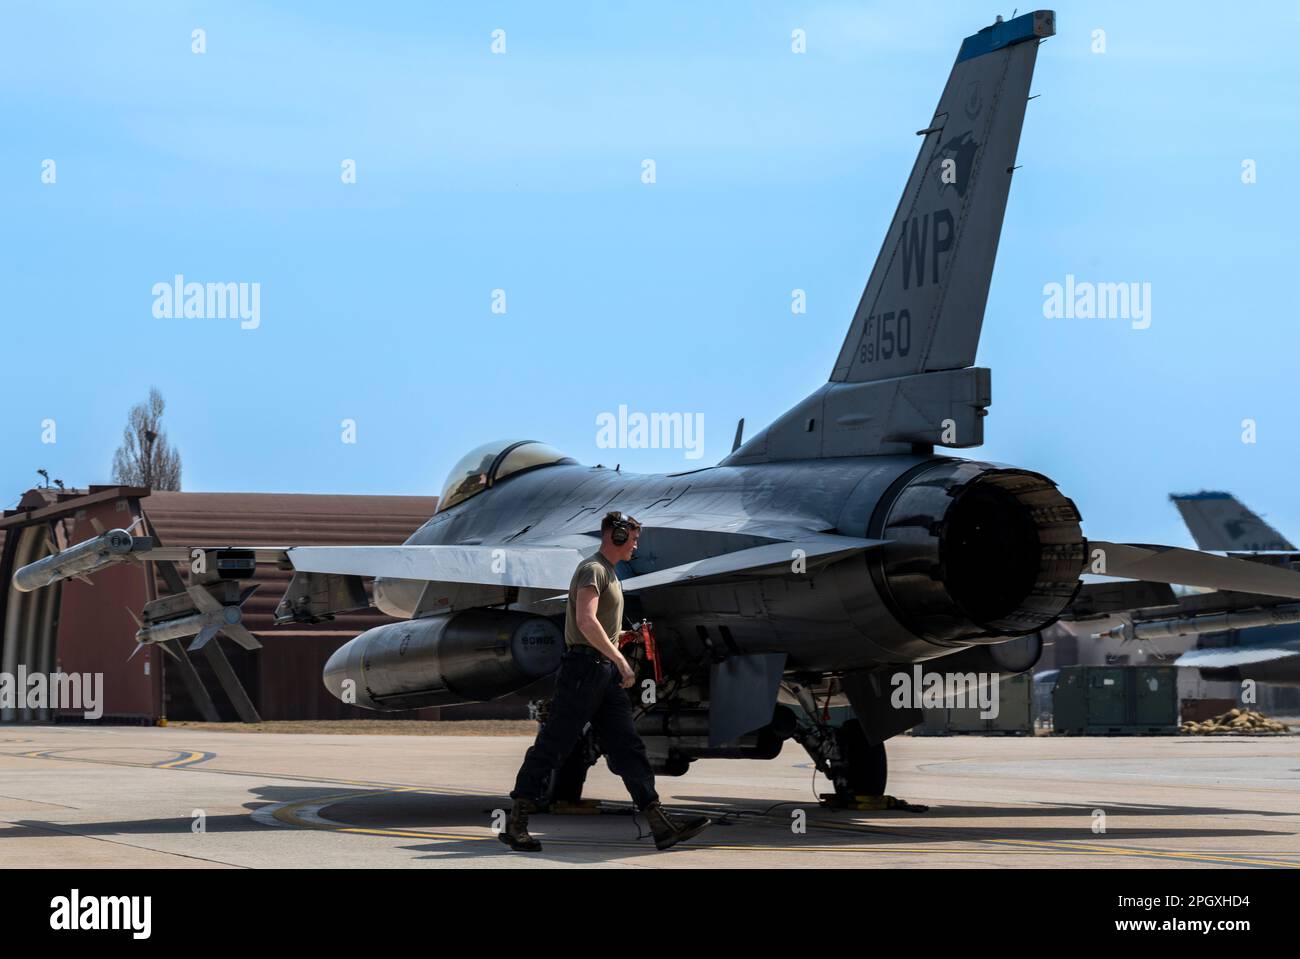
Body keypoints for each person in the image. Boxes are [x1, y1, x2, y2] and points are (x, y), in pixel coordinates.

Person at [500, 511, 711, 852]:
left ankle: (660, 824)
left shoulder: (610, 574)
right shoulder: (593, 569)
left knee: (628, 746)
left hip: (602, 672)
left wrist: (622, 636)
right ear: (616, 536)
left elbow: (596, 624)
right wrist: (619, 659)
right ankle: (517, 824)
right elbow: (585, 621)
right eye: (633, 537)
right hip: (584, 670)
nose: (636, 544)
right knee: (554, 745)